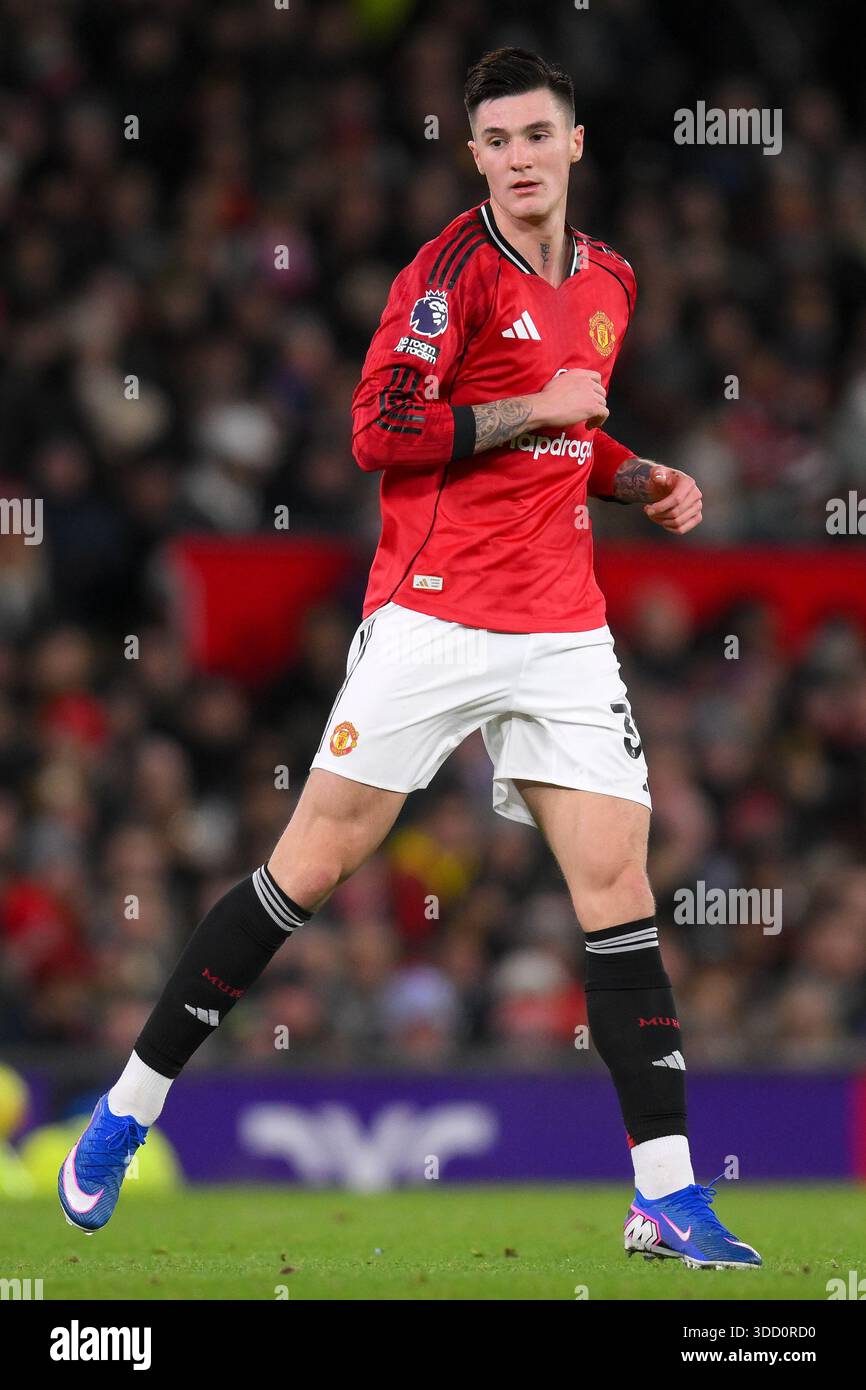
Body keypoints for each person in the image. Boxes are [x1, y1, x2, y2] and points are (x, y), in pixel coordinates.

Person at [59, 46, 759, 1270]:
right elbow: (380, 430)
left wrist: (630, 471)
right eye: (498, 142)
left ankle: (664, 1194)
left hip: (560, 627)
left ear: (574, 143)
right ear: (474, 156)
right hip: (432, 615)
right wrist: (534, 414)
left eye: (539, 134)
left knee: (620, 895)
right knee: (306, 873)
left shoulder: (610, 279)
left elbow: (570, 432)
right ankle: (126, 1110)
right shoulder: (443, 277)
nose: (521, 158)